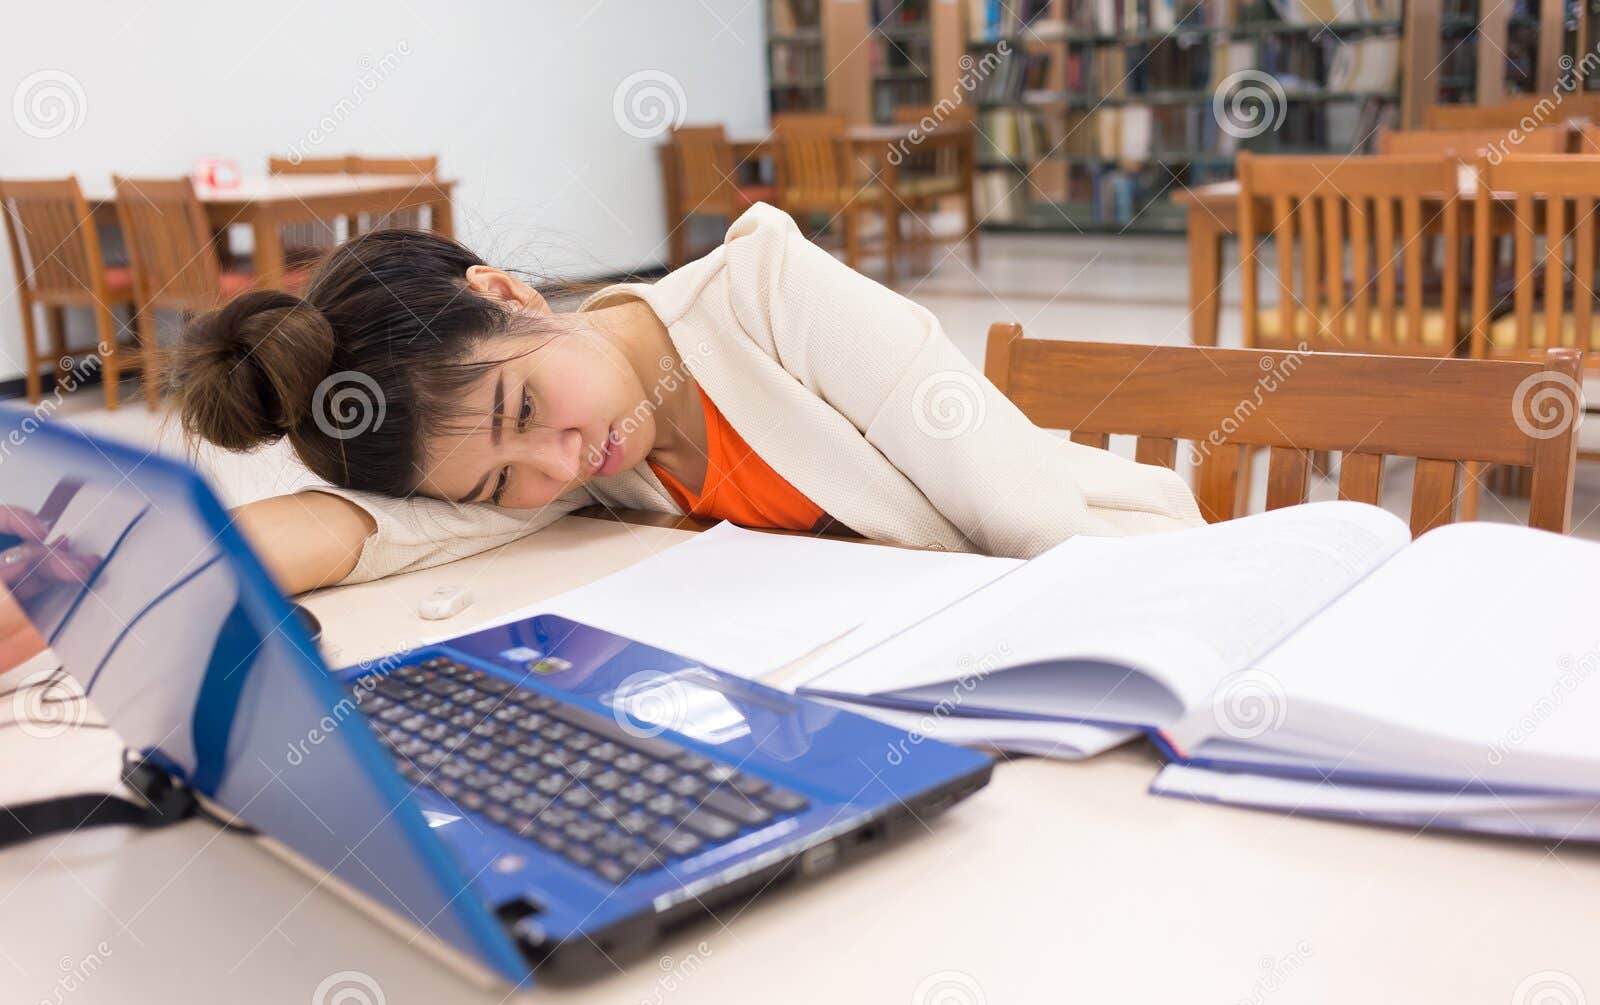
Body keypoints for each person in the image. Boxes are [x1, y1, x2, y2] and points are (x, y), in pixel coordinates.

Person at [170, 203, 1203, 596]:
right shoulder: (590, 463)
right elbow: (381, 532)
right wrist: (137, 563)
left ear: (505, 291)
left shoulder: (765, 292)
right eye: (500, 481)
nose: (559, 464)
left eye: (524, 411)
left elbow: (1026, 515)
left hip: (1105, 577)